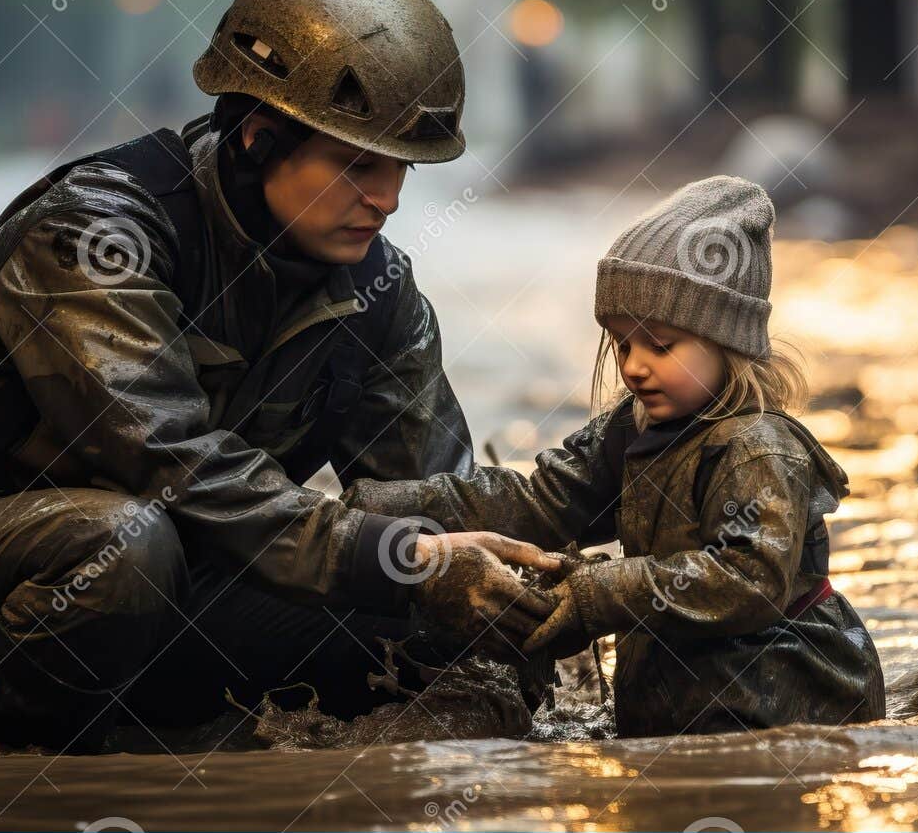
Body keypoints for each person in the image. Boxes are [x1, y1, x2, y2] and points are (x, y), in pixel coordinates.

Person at [0, 0, 556, 752]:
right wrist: (404, 555)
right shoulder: (93, 235)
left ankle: (163, 737)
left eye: (398, 168)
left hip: (174, 588)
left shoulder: (379, 293)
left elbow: (433, 499)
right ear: (256, 139)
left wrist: (541, 576)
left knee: (447, 621)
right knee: (128, 545)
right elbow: (172, 468)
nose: (387, 198)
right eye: (355, 165)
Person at [346, 176, 886, 736]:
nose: (633, 366)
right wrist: (384, 505)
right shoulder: (635, 428)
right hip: (690, 704)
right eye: (621, 342)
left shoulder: (756, 447)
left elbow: (747, 578)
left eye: (660, 344)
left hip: (786, 707)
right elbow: (542, 502)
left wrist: (597, 593)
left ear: (729, 341)